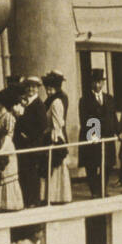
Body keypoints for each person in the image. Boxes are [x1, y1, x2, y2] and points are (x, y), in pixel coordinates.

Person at [79, 68, 118, 197]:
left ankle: (102, 188)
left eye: (99, 82)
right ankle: (95, 191)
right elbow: (85, 120)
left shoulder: (109, 99)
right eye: (95, 82)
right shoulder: (84, 100)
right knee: (92, 165)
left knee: (107, 164)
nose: (97, 85)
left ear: (103, 83)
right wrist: (94, 135)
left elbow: (113, 118)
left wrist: (118, 132)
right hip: (92, 137)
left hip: (107, 137)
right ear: (91, 83)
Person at [13, 78, 51, 207]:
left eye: (33, 87)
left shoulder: (39, 104)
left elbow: (42, 126)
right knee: (24, 172)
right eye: (28, 87)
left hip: (33, 144)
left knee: (32, 173)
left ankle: (34, 200)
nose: (30, 89)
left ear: (37, 89)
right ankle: (27, 199)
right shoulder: (26, 103)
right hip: (23, 144)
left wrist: (28, 135)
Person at [0, 89, 24, 212]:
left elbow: (9, 136)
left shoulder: (8, 117)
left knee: (6, 174)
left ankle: (11, 204)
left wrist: (2, 150)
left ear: (1, 103)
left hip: (6, 146)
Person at [43, 71, 74, 205]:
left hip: (55, 135)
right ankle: (55, 194)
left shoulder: (56, 102)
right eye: (47, 89)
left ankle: (57, 195)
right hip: (52, 133)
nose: (48, 91)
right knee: (54, 167)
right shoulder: (52, 100)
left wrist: (55, 138)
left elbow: (58, 123)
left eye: (51, 89)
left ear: (56, 88)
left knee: (55, 164)